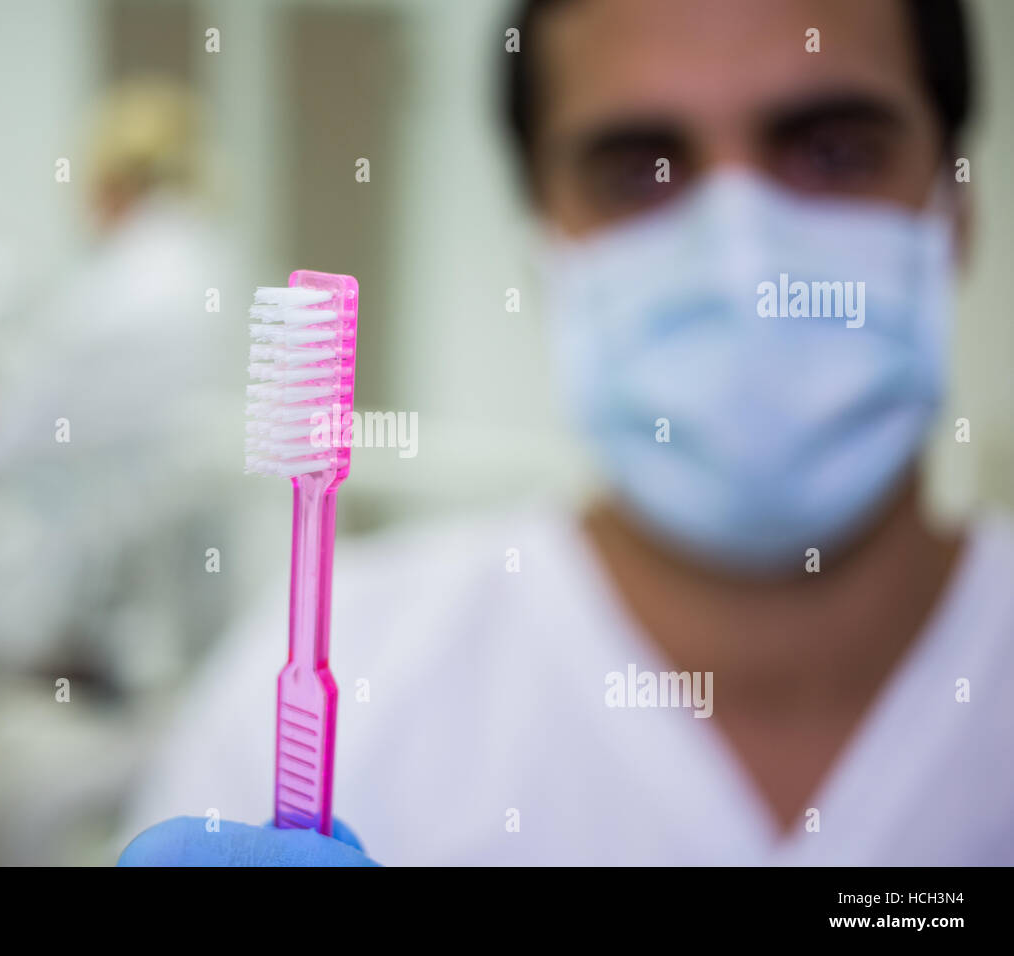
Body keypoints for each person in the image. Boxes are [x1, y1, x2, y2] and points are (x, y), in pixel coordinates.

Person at [119, 0, 1014, 866]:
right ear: (544, 248)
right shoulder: (351, 683)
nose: (743, 254)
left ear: (957, 208)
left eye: (833, 151)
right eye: (638, 171)